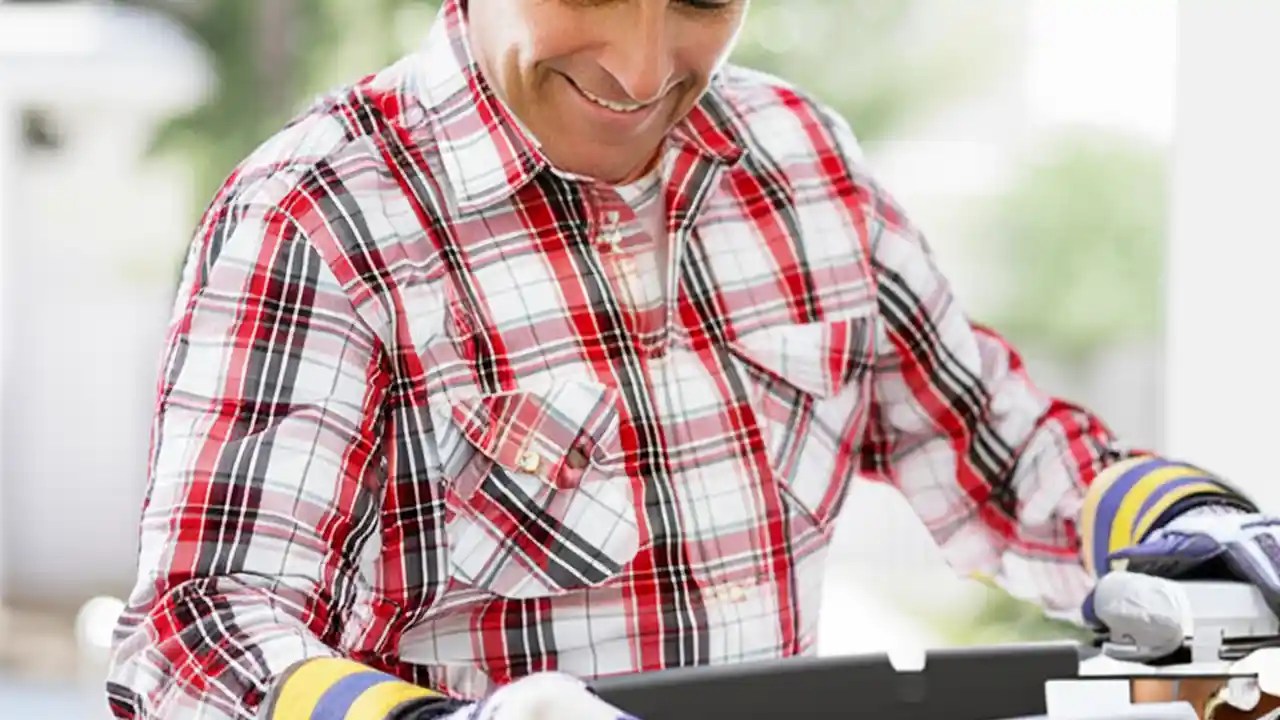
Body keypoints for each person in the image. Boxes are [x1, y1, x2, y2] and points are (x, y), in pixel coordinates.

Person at [106, 0, 1280, 718]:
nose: (640, 66)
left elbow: (1000, 456)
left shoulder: (798, 159)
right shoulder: (318, 215)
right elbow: (195, 635)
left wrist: (1197, 541)